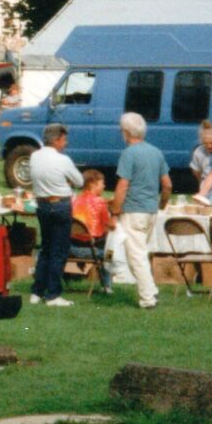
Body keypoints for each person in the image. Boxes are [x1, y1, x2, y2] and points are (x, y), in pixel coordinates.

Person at [112, 111, 172, 311]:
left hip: (133, 210)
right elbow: (167, 185)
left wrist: (114, 211)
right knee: (141, 254)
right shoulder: (156, 152)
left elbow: (122, 185)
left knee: (136, 257)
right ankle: (152, 290)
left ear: (127, 132)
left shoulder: (128, 153)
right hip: (150, 211)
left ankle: (148, 298)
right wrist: (162, 204)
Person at [29, 124, 84, 307]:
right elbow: (80, 180)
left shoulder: (34, 157)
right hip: (60, 205)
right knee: (58, 251)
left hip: (42, 205)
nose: (66, 143)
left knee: (45, 248)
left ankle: (37, 290)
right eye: (64, 139)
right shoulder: (63, 160)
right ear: (57, 140)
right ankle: (53, 294)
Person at [69, 170, 115, 294]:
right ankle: (107, 284)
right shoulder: (99, 202)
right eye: (102, 183)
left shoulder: (75, 200)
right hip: (91, 250)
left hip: (70, 247)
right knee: (111, 249)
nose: (104, 186)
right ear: (93, 184)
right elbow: (109, 226)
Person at [187, 121, 212, 193]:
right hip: (205, 183)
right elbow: (196, 171)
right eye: (206, 143)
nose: (209, 146)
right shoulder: (198, 152)